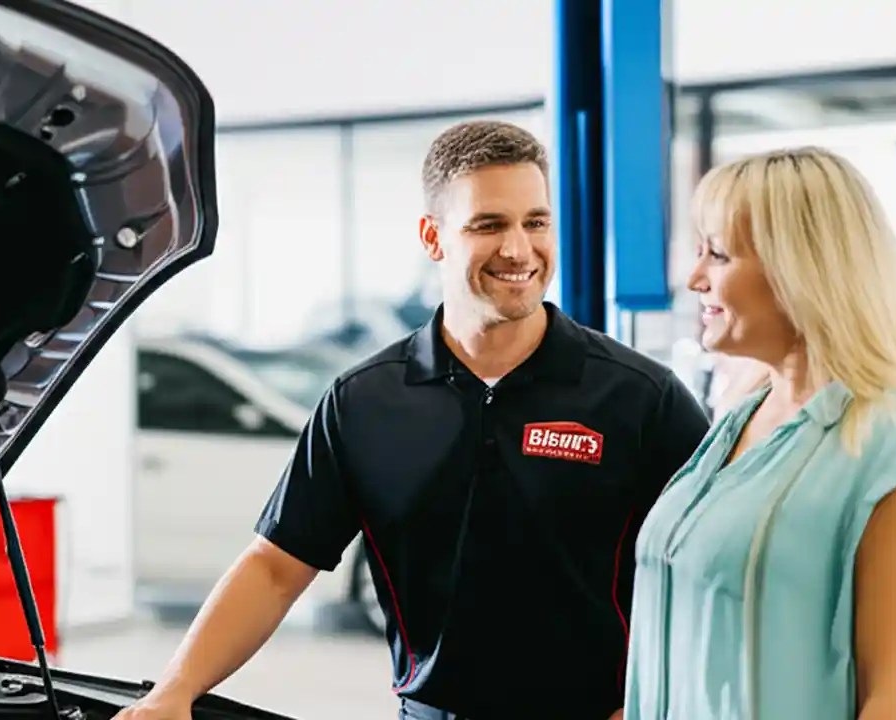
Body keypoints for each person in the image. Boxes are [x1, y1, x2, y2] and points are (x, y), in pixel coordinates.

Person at [114, 120, 710, 720]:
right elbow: (274, 568)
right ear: (433, 237)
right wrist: (176, 689)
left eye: (536, 221)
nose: (519, 249)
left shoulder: (641, 399)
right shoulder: (364, 402)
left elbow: (710, 578)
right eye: (488, 224)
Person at [622, 146, 896, 719]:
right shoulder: (740, 417)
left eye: (718, 254)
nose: (694, 278)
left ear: (801, 272)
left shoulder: (894, 453)